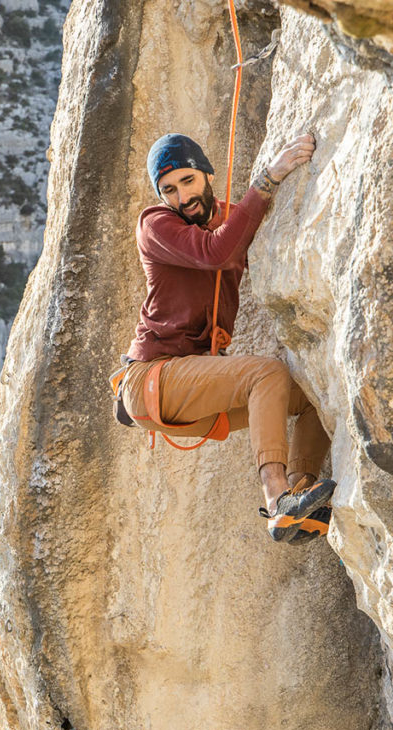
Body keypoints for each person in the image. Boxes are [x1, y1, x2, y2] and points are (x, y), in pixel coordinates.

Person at [119, 133, 334, 544]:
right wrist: (268, 180)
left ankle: (300, 497)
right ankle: (277, 498)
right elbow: (217, 253)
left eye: (188, 181)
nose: (182, 196)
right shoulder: (155, 224)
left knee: (310, 393)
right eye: (169, 189)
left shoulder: (229, 220)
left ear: (206, 174)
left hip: (188, 389)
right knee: (265, 374)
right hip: (152, 379)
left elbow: (254, 249)